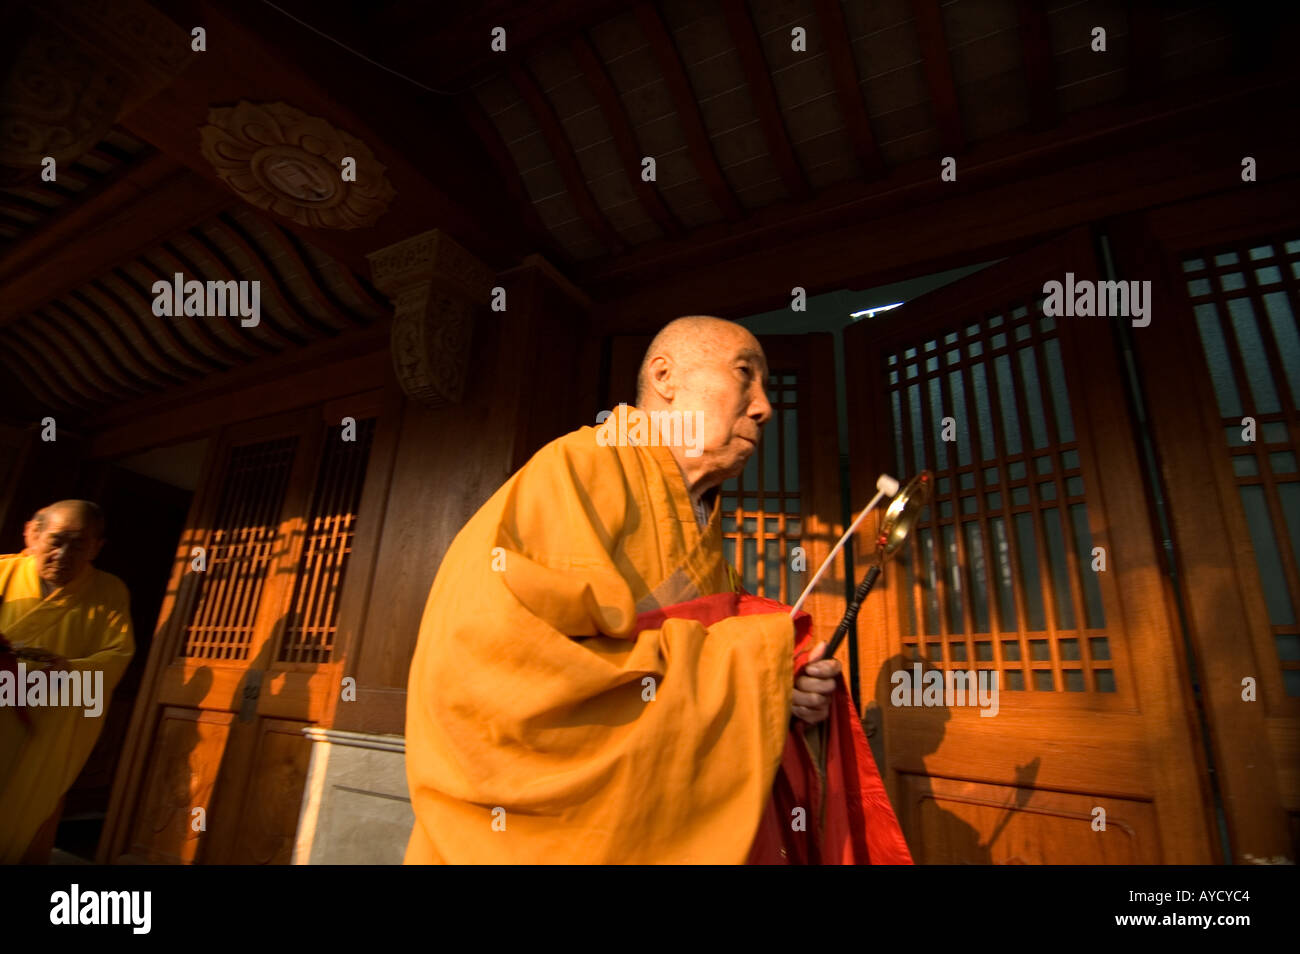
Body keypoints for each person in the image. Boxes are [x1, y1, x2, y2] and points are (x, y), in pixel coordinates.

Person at [404, 316, 910, 863]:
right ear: (665, 377)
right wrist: (754, 672)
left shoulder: (703, 529)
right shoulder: (575, 469)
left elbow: (711, 683)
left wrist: (784, 695)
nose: (764, 407)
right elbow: (497, 662)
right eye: (746, 375)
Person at [0, 500, 135, 863]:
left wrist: (69, 673)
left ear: (96, 547)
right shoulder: (3, 573)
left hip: (51, 720)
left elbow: (117, 655)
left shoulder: (110, 592)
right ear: (32, 534)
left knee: (27, 803)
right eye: (56, 540)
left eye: (78, 544)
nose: (63, 554)